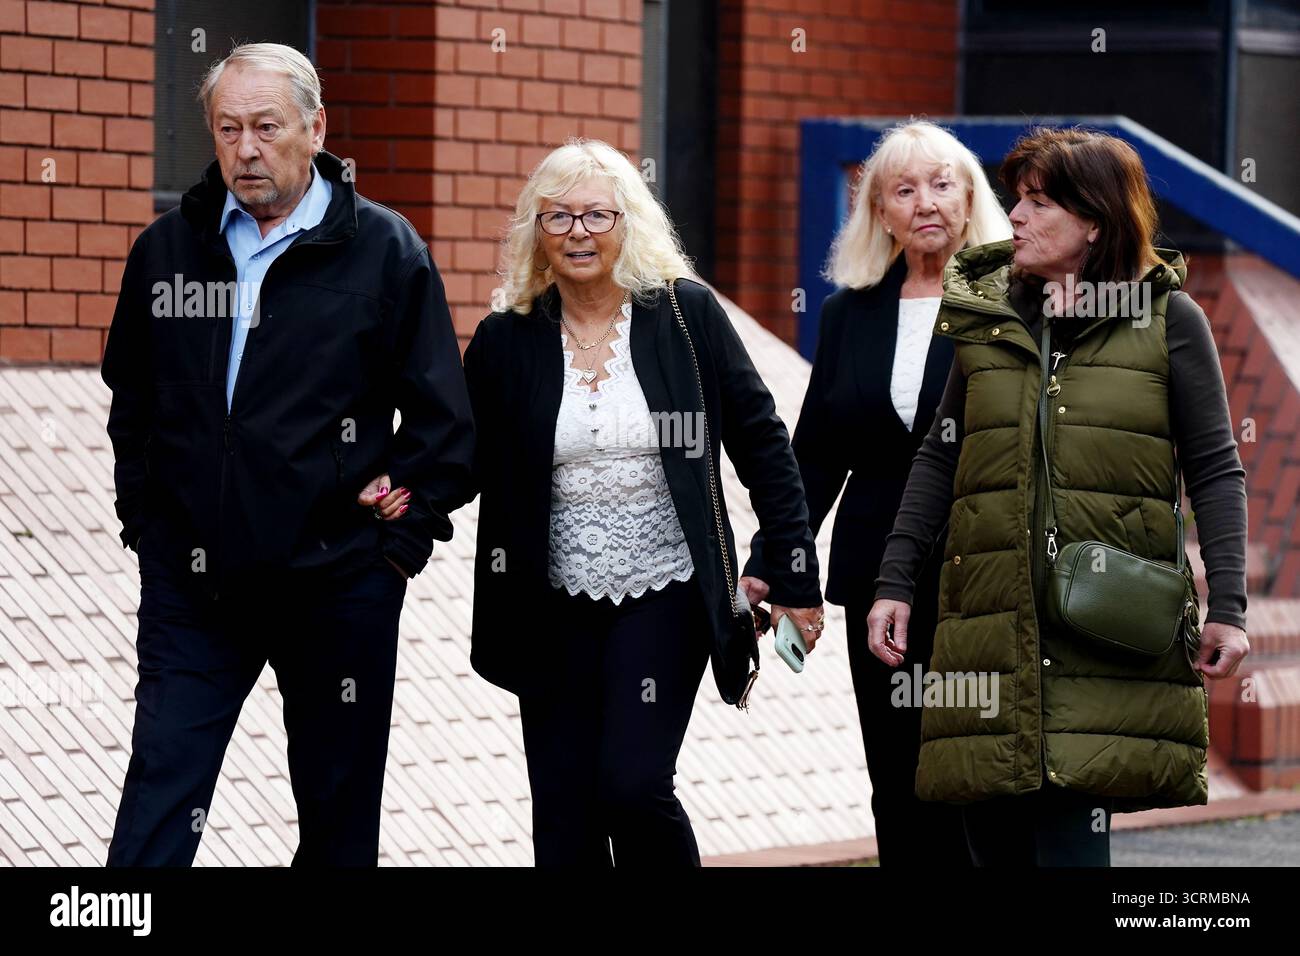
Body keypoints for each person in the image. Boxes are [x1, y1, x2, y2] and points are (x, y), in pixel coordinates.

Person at [100, 43, 474, 866]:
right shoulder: (168, 250)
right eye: (228, 128)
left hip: (337, 586)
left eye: (267, 126)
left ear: (316, 129)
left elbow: (448, 427)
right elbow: (131, 395)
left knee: (338, 820)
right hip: (193, 587)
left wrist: (395, 548)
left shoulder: (386, 251)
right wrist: (148, 522)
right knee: (160, 795)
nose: (246, 148)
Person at [869, 126, 1250, 866]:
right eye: (1016, 200)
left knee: (1071, 837)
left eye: (1038, 203)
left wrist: (1229, 607)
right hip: (986, 622)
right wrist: (895, 581)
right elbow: (937, 462)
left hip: (1098, 628)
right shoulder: (987, 322)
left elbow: (1215, 467)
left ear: (1095, 222)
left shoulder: (1169, 323)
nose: (1013, 217)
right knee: (994, 841)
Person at [462, 138, 824, 866]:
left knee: (629, 787)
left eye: (596, 214)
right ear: (536, 232)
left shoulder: (684, 318)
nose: (578, 233)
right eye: (557, 217)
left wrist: (790, 573)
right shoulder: (508, 339)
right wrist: (386, 496)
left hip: (666, 590)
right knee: (564, 816)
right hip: (549, 600)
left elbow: (763, 445)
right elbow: (457, 454)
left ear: (631, 223)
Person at [742, 120, 1010, 867]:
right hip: (876, 571)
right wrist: (774, 562)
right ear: (880, 212)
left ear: (968, 197)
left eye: (942, 183)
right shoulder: (849, 312)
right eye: (904, 188)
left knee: (970, 772)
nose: (925, 201)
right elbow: (818, 454)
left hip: (981, 569)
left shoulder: (1011, 303)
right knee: (896, 778)